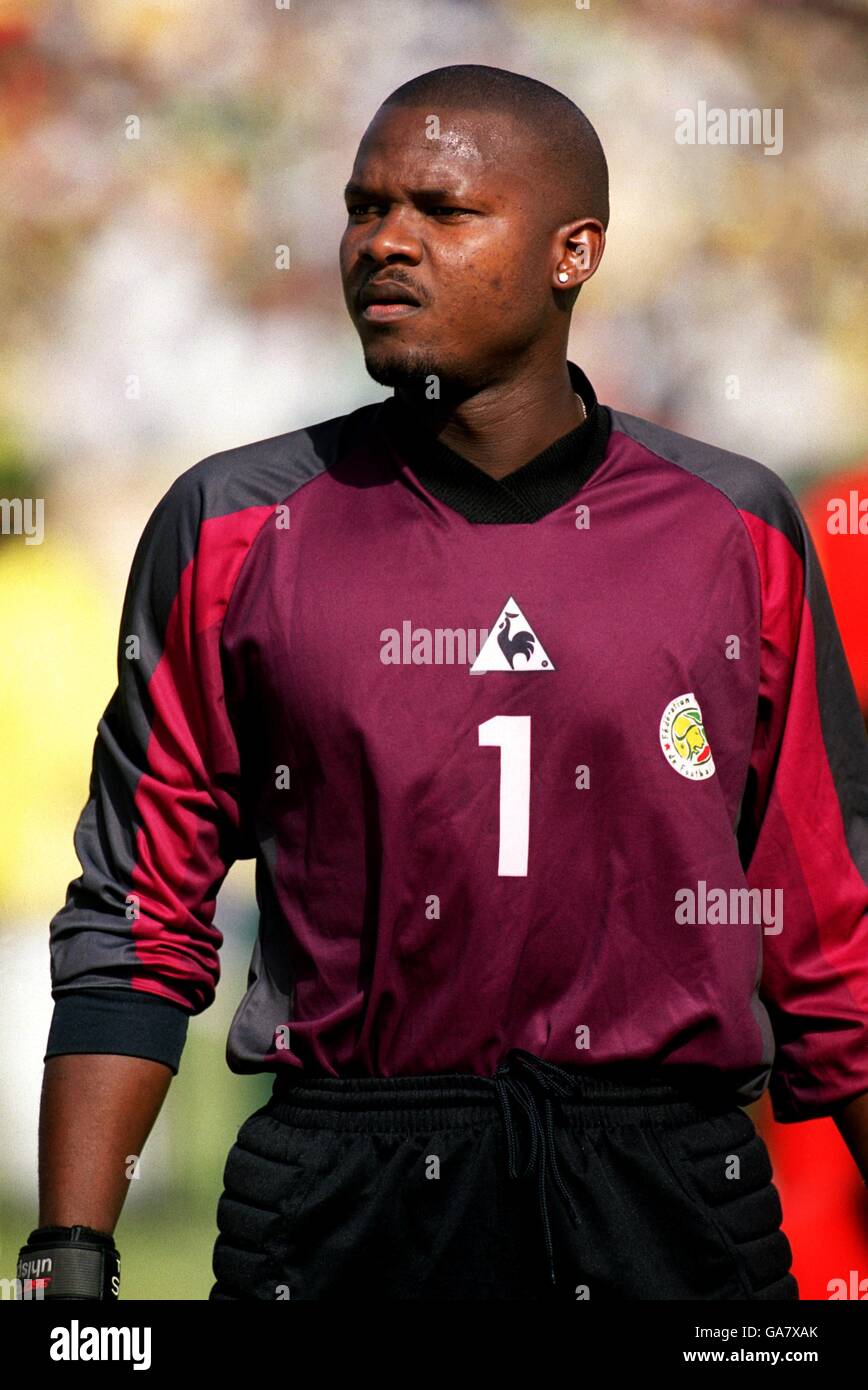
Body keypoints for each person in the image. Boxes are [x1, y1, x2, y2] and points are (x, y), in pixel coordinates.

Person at [21, 64, 868, 1303]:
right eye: (365, 207)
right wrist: (70, 1253)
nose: (385, 244)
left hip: (666, 1194)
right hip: (337, 1187)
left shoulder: (731, 528)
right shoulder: (230, 525)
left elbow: (827, 927)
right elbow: (136, 911)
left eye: (441, 209)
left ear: (574, 250)